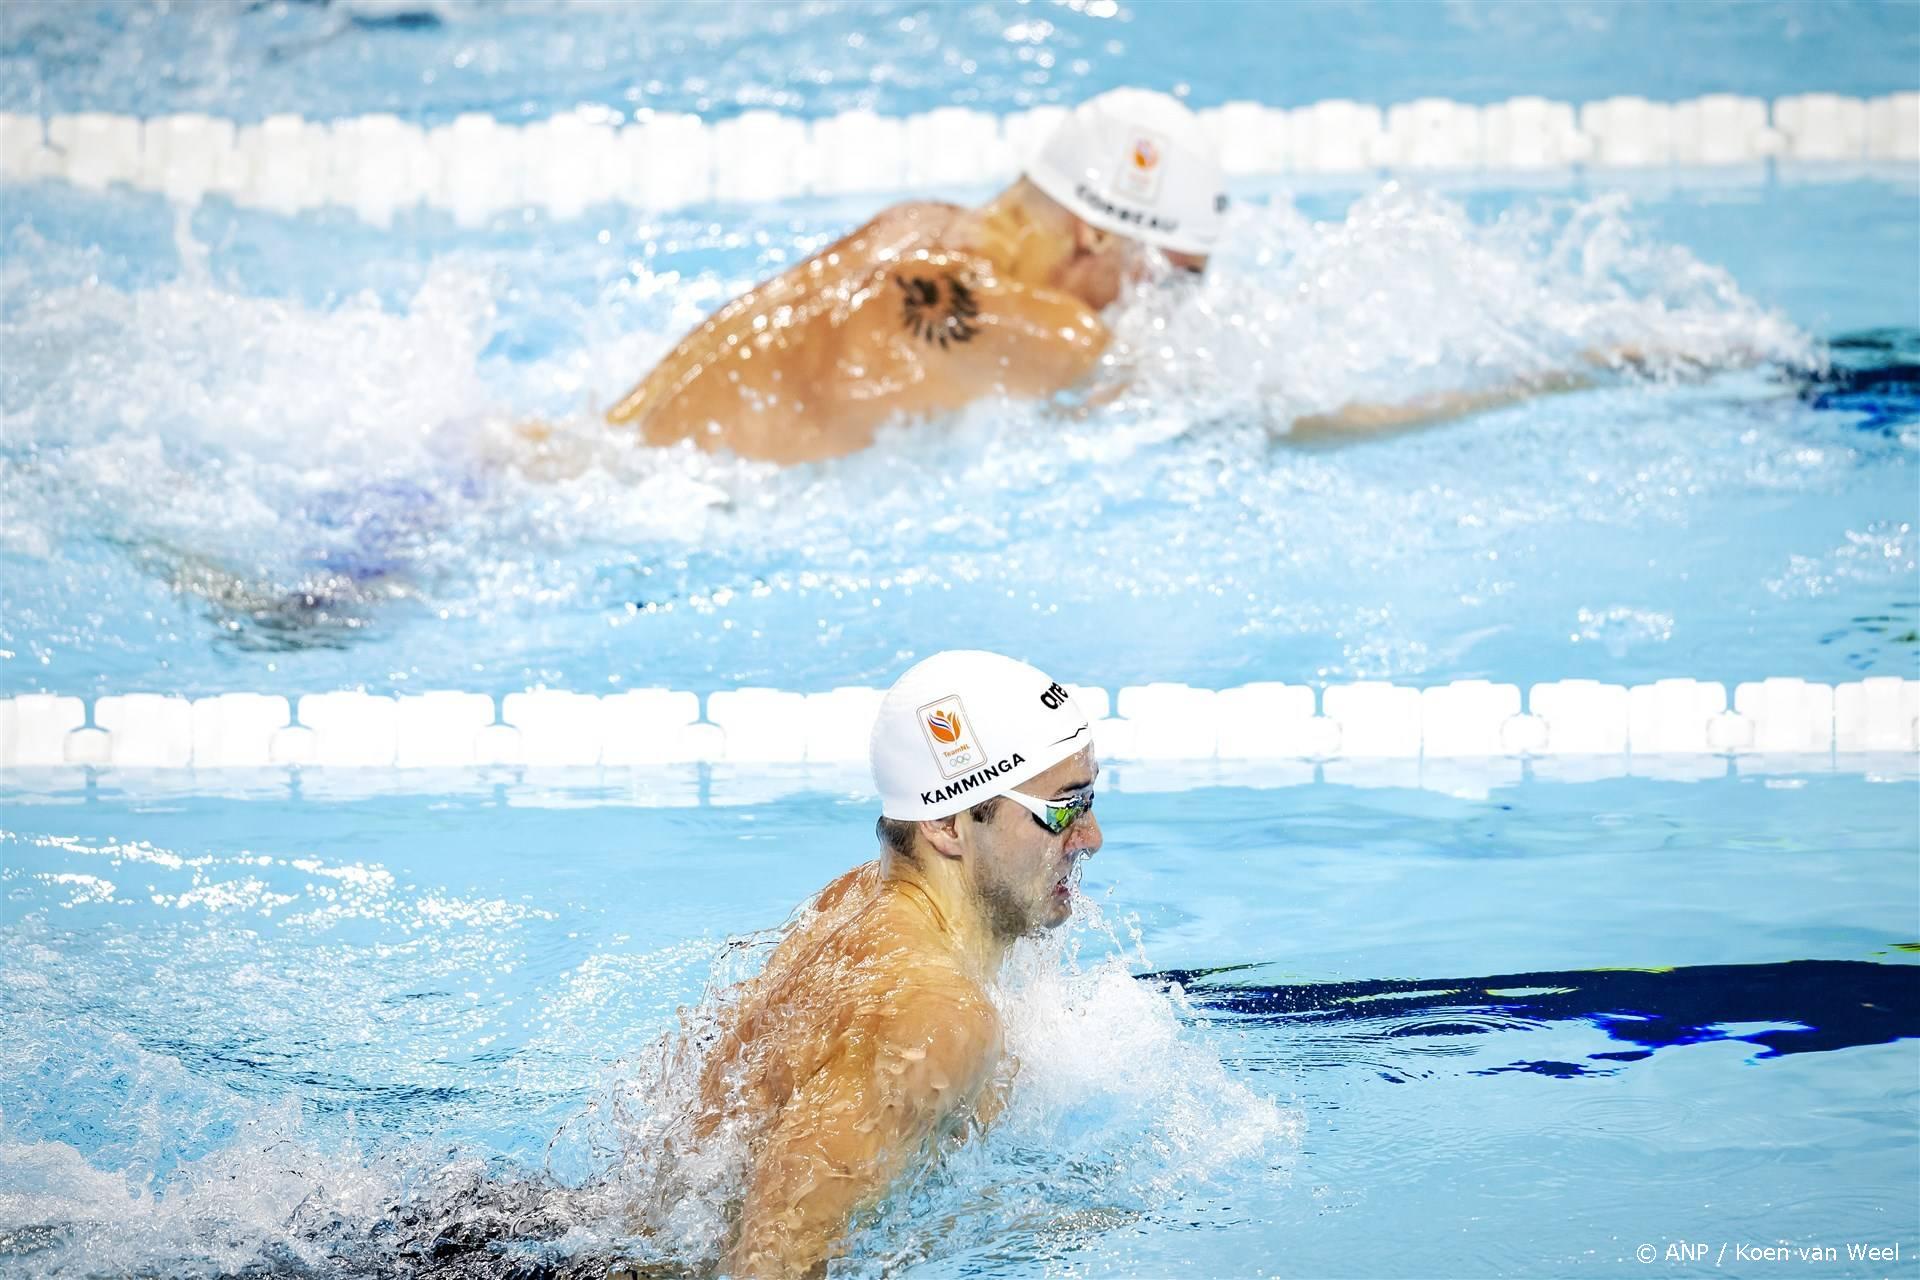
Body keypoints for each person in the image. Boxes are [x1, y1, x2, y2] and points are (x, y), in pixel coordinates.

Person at [676, 650, 1101, 1277]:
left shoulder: (857, 899)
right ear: (947, 826)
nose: (1091, 836)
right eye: (1063, 808)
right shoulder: (938, 1020)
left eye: (1090, 798)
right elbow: (770, 1260)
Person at [597, 88, 1220, 463]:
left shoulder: (913, 224)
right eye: (1167, 279)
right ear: (1098, 233)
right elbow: (1207, 418)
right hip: (660, 512)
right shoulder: (1058, 335)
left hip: (595, 455)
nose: (1153, 305)